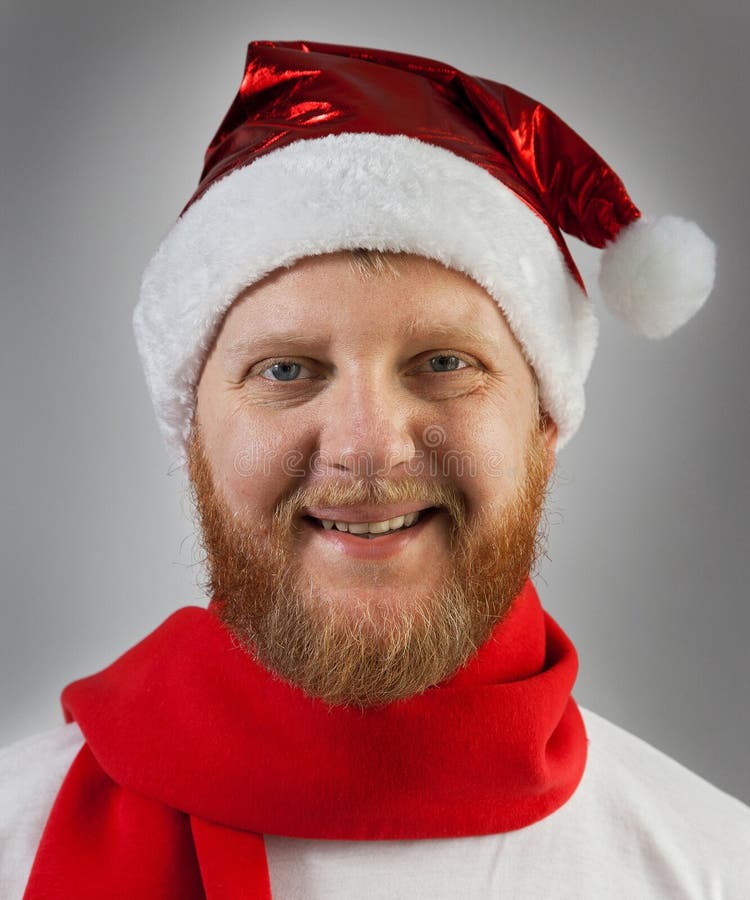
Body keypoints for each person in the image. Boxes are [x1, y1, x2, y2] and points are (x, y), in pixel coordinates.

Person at [2, 39, 748, 899]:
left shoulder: (717, 869)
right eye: (285, 370)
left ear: (544, 422)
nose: (366, 446)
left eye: (442, 364)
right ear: (194, 434)